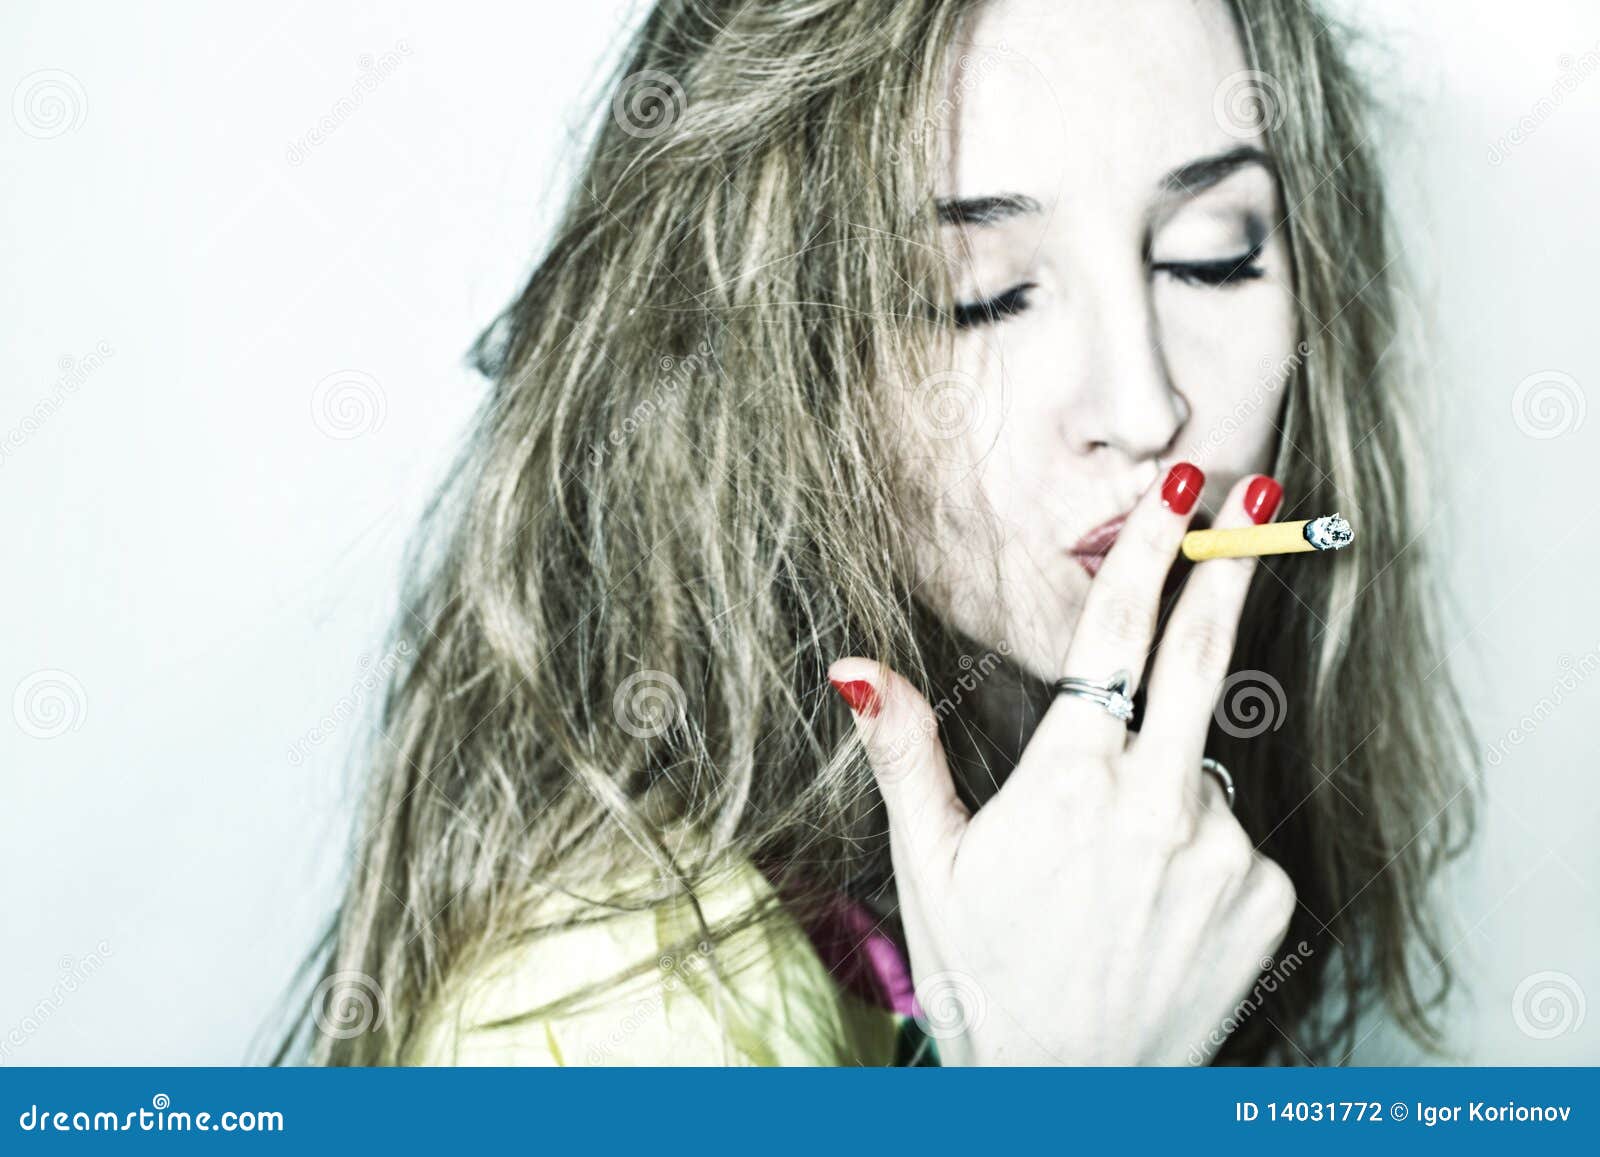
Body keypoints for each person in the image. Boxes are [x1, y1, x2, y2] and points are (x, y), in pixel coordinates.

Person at [288, 0, 1476, 1067]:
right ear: (755, 362)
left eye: (1208, 256)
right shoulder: (608, 1014)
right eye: (975, 294)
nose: (1142, 407)